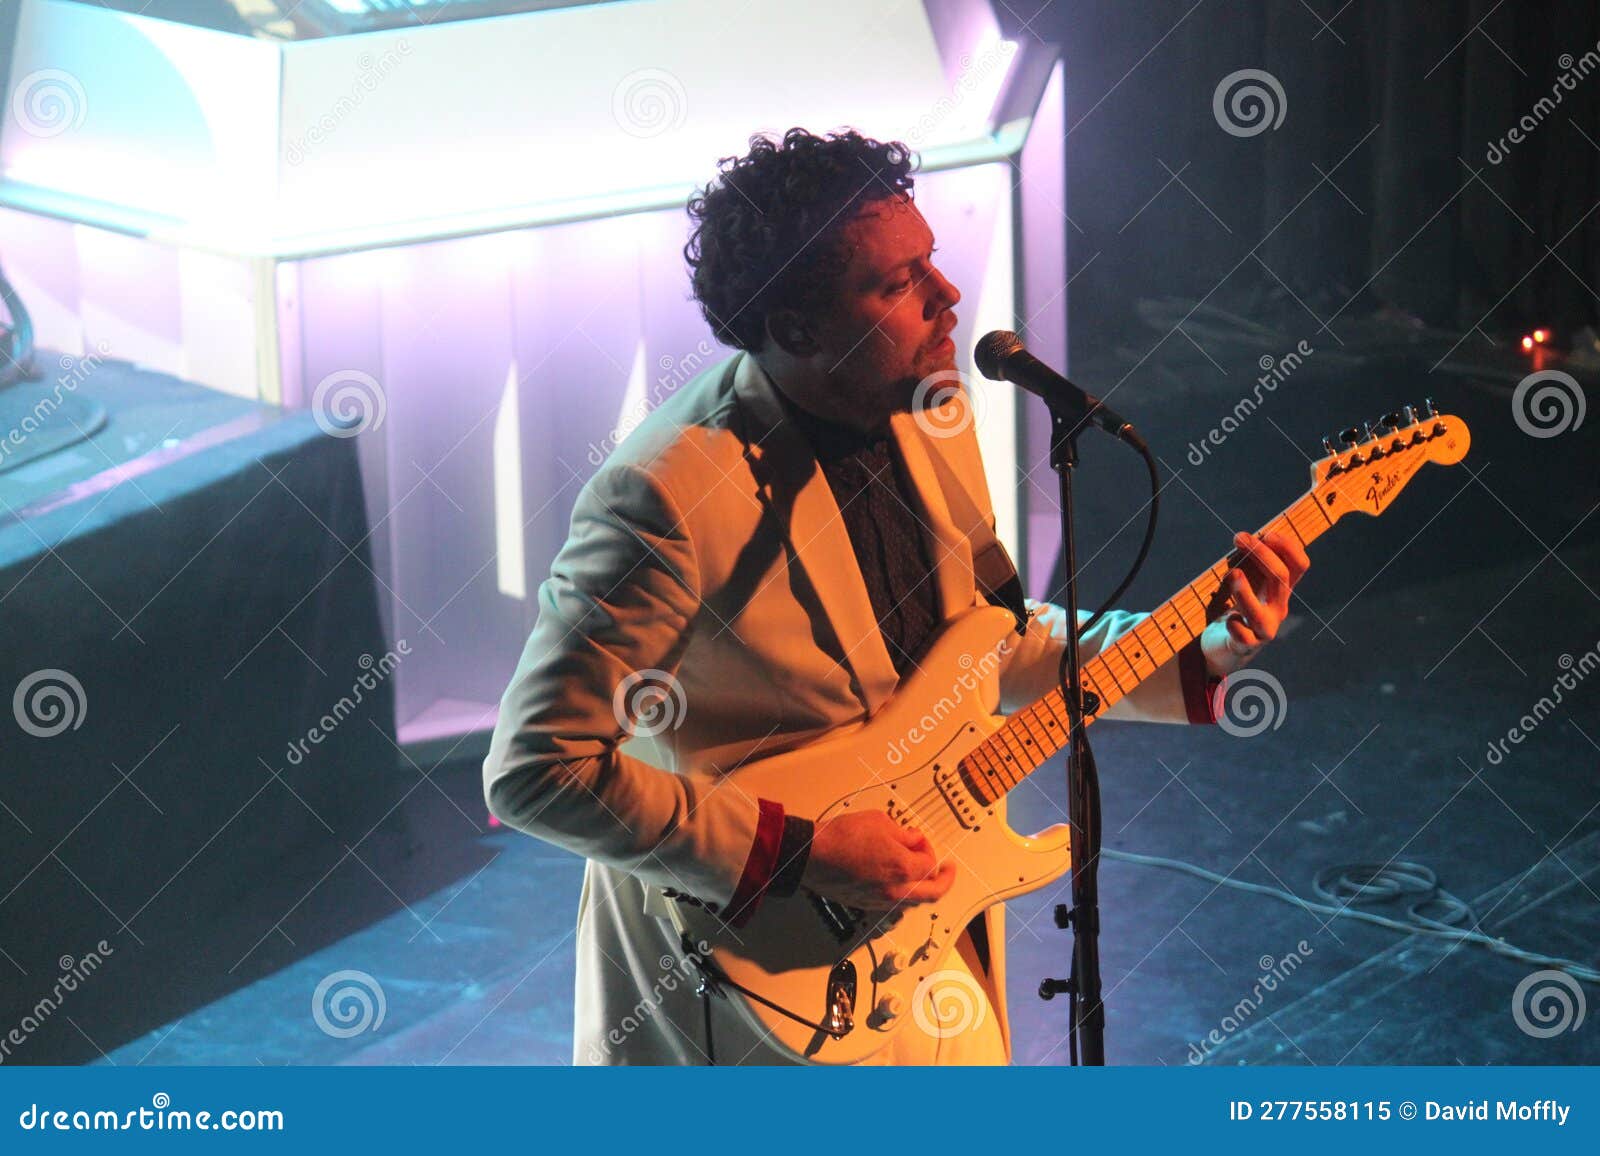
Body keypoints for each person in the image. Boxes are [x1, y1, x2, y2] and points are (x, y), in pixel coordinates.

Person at [482, 127, 1310, 1065]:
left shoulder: (930, 407)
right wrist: (799, 853)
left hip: (921, 926)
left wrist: (1199, 645)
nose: (948, 297)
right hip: (747, 973)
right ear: (796, 328)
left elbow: (985, 643)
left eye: (933, 262)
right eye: (898, 282)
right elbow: (535, 770)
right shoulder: (667, 493)